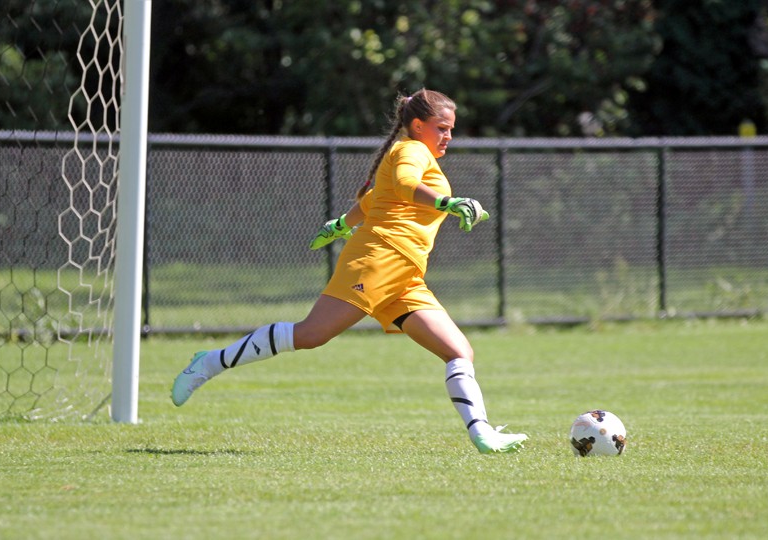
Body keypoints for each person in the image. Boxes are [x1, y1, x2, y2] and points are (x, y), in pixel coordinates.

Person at [171, 88, 528, 454]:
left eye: (451, 129)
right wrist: (448, 202)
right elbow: (405, 186)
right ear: (418, 125)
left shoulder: (419, 154)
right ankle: (209, 363)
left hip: (405, 276)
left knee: (458, 351)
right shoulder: (411, 149)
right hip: (378, 258)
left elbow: (375, 199)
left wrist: (341, 224)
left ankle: (482, 434)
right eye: (442, 128)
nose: (448, 136)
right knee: (310, 335)